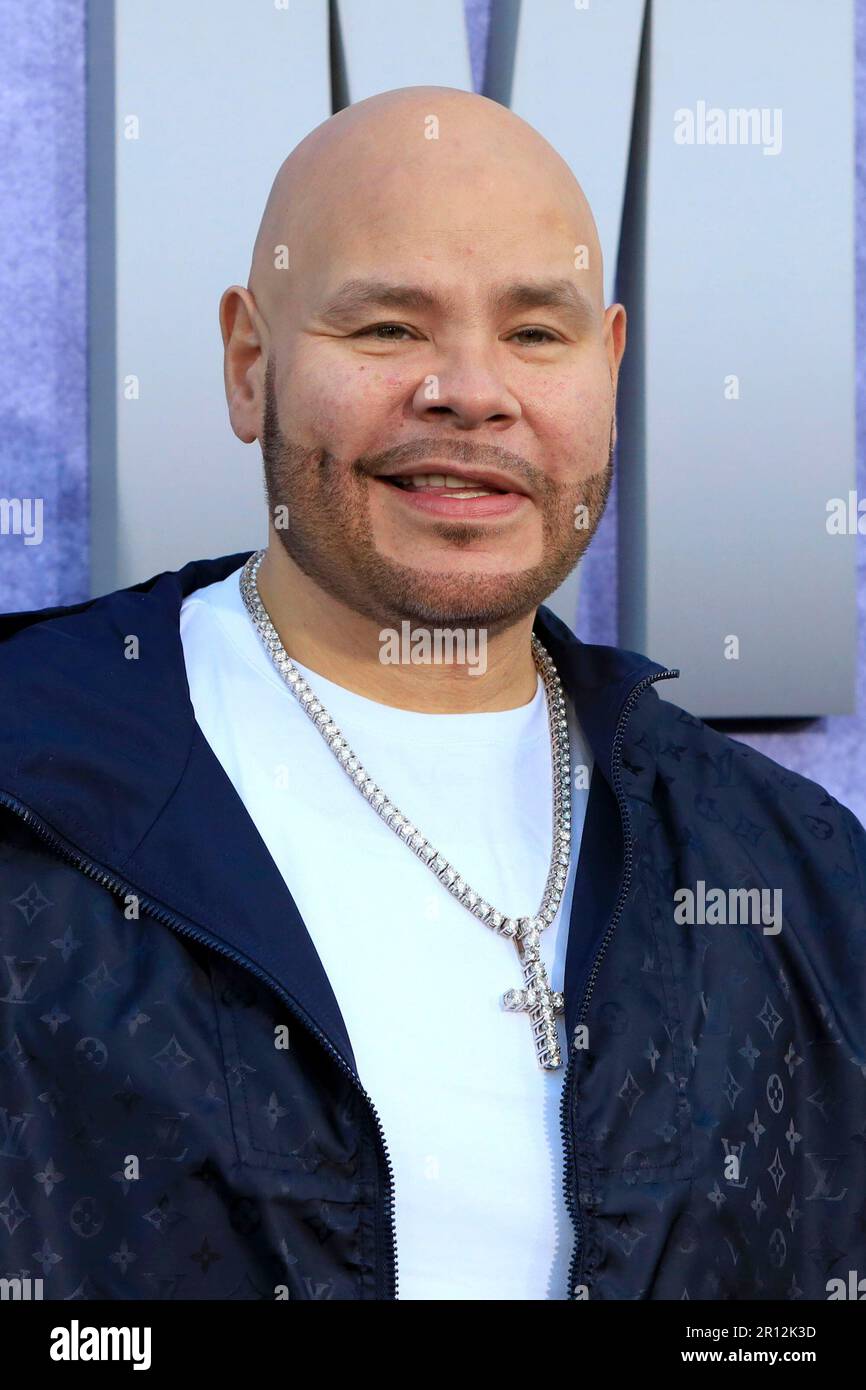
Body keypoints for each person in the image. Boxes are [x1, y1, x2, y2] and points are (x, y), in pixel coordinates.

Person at [0, 86, 863, 1302]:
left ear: (606, 369)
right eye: (389, 329)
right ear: (251, 365)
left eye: (534, 333)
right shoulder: (24, 779)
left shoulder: (799, 873)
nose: (469, 390)